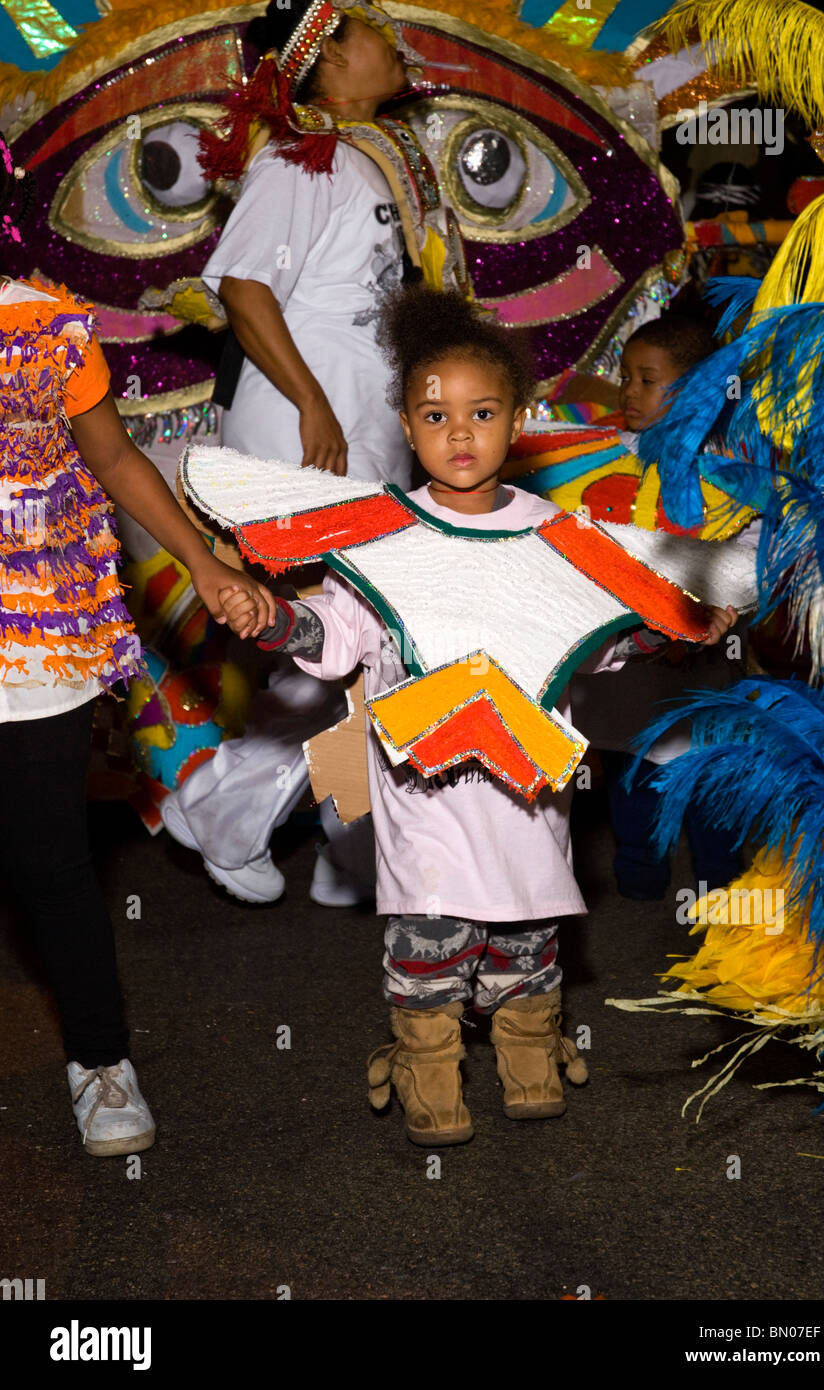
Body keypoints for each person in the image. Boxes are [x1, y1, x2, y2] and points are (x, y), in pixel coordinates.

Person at [217, 288, 739, 1146]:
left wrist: (674, 629)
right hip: (424, 797)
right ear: (407, 425)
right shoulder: (377, 534)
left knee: (527, 938)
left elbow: (597, 644)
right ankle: (429, 1070)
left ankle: (529, 1054)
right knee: (429, 941)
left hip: (529, 796)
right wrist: (271, 616)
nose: (459, 433)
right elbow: (337, 632)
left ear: (517, 420)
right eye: (435, 414)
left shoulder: (562, 539)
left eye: (482, 412)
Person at [0, 136, 275, 1155]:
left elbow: (113, 458)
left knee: (51, 865)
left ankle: (101, 1058)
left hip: (35, 649)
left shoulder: (46, 329)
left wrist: (205, 564)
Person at [161, 0, 448, 906]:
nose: (392, 44)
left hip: (362, 436)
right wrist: (315, 403)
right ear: (326, 61)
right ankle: (225, 813)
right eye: (371, 33)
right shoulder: (298, 162)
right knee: (354, 644)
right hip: (306, 438)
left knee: (356, 647)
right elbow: (245, 290)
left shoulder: (380, 164)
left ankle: (343, 848)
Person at [571, 314, 757, 900]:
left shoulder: (728, 468)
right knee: (631, 766)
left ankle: (719, 885)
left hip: (702, 654)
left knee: (707, 774)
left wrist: (707, 606)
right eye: (625, 377)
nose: (628, 392)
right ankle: (641, 871)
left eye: (647, 380)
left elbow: (751, 550)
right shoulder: (601, 462)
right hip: (626, 664)